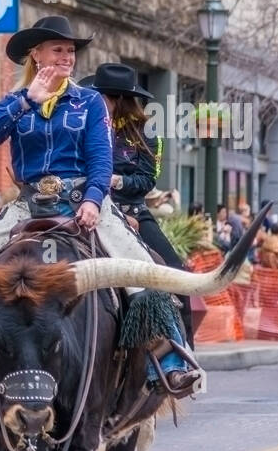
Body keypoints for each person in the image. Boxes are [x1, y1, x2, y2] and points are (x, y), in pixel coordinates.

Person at [0, 19, 200, 401]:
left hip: (82, 199)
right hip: (28, 202)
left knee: (139, 266)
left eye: (71, 51)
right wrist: (27, 100)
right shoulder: (16, 100)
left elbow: (100, 158)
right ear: (36, 55)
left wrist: (92, 198)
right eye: (59, 49)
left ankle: (167, 358)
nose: (67, 57)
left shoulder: (89, 102)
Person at [81, 62, 199, 349]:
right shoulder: (86, 128)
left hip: (132, 211)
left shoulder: (147, 136)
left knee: (175, 270)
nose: (98, 103)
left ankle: (182, 350)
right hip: (89, 208)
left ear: (120, 100)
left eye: (104, 98)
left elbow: (146, 180)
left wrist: (115, 180)